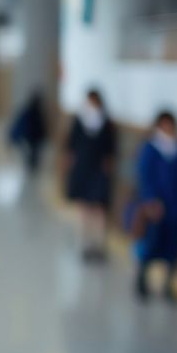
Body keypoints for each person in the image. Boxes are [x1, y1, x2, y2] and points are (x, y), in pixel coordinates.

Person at [133, 110, 177, 303]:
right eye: (164, 124)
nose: (168, 128)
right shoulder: (151, 148)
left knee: (174, 249)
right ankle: (142, 280)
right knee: (152, 244)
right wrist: (150, 200)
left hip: (176, 208)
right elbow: (145, 176)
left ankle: (167, 286)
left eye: (170, 124)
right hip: (156, 208)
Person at [64, 90, 117, 262]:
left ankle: (98, 245)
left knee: (99, 209)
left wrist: (107, 166)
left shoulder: (105, 122)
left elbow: (110, 149)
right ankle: (84, 244)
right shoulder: (80, 120)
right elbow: (71, 144)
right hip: (82, 170)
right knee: (84, 209)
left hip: (98, 171)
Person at [9, 90, 47, 173]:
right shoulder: (31, 113)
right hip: (20, 140)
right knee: (29, 155)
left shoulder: (29, 111)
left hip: (22, 139)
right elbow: (34, 132)